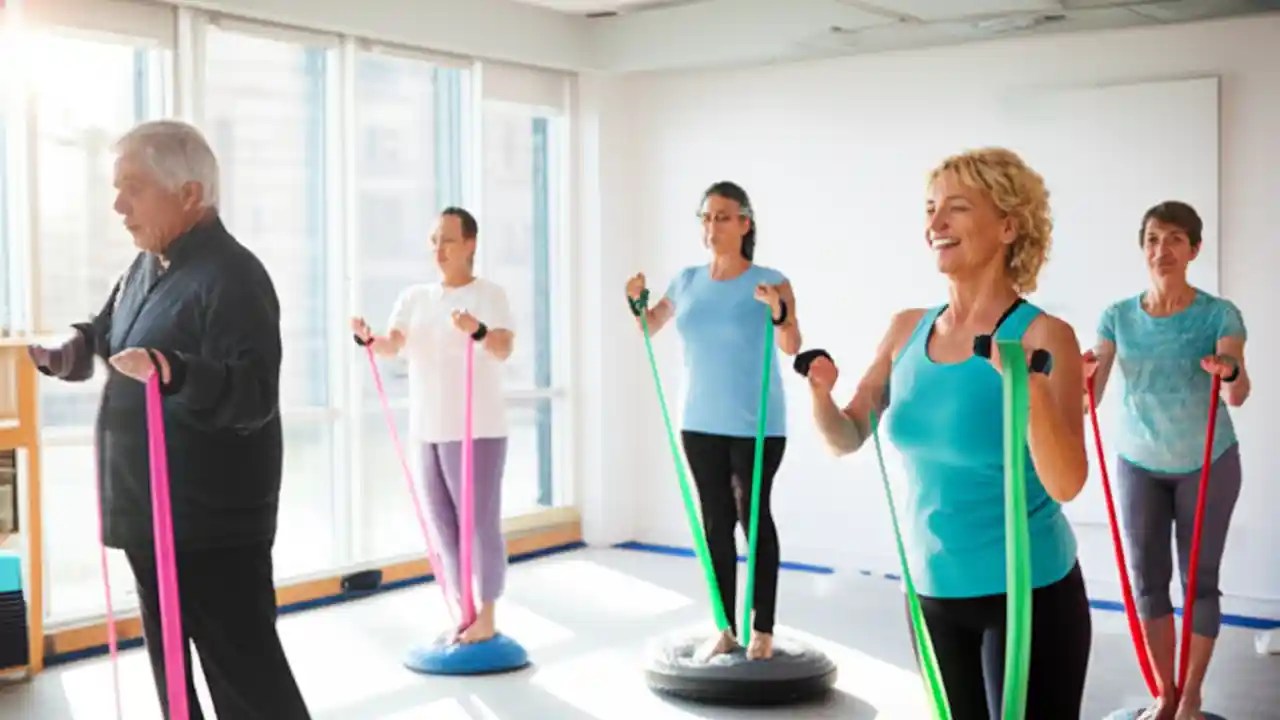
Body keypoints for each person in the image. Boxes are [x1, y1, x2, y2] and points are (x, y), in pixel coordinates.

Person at [26, 120, 310, 719]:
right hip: (149, 515)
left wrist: (175, 371)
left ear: (188, 194)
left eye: (133, 187)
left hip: (212, 523)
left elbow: (253, 393)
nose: (118, 206)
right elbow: (110, 335)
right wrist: (70, 350)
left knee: (244, 673)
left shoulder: (234, 276)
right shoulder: (144, 267)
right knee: (170, 670)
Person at [805, 148, 1091, 718]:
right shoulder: (905, 329)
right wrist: (819, 395)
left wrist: (1028, 390)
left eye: (955, 209)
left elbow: (1066, 483)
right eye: (931, 209)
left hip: (1030, 592)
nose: (934, 225)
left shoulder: (1043, 336)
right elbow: (846, 436)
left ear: (1008, 225)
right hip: (931, 591)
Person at [1083, 200, 1248, 720]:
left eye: (1176, 239)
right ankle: (1166, 694)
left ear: (1194, 249)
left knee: (1199, 581)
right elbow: (1094, 393)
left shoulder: (1219, 314)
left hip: (1207, 461)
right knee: (1147, 582)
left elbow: (1238, 392)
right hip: (1139, 463)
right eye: (1154, 239)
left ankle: (1193, 697)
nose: (1163, 250)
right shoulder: (1116, 316)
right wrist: (1082, 378)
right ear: (1144, 248)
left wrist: (1226, 371)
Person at [624, 180, 801, 661]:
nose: (712, 226)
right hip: (699, 419)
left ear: (745, 223)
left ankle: (761, 629)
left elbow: (791, 344)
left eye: (723, 217)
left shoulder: (769, 281)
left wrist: (779, 311)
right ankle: (725, 626)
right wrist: (636, 300)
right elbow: (649, 325)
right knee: (715, 523)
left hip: (757, 423)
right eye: (706, 217)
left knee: (752, 516)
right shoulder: (686, 280)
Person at [351, 207, 515, 645]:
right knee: (443, 524)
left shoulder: (490, 295)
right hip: (427, 428)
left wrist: (476, 331)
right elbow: (393, 344)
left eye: (446, 239)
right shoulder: (415, 298)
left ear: (470, 244)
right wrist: (370, 340)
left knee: (478, 523)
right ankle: (464, 609)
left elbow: (502, 348)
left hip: (478, 428)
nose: (437, 249)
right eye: (433, 240)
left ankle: (488, 613)